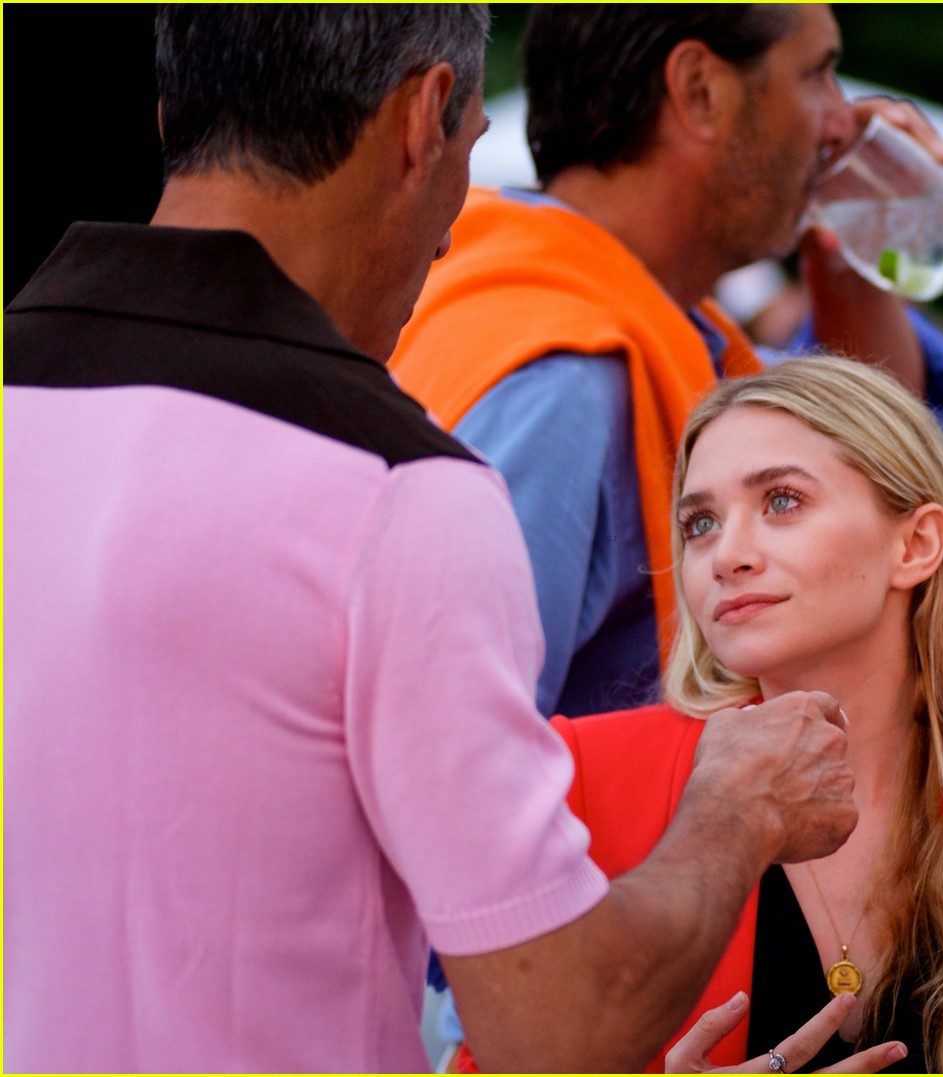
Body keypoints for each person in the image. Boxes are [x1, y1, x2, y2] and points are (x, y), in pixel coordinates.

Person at [4, 8, 874, 1072]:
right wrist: (735, 805)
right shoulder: (392, 490)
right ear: (425, 120)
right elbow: (554, 1025)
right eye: (469, 153)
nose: (460, 229)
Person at [469, 357, 943, 1074]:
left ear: (915, 543)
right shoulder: (587, 780)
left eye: (781, 501)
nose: (727, 553)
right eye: (698, 524)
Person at [390, 4, 943, 720]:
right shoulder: (566, 376)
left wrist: (851, 261)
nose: (840, 123)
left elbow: (866, 459)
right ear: (700, 89)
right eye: (818, 74)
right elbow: (456, 741)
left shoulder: (596, 306)